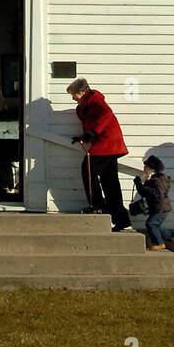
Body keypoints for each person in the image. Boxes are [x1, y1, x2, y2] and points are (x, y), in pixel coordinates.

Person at [67, 78, 134, 232]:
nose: (73, 98)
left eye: (74, 95)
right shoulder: (89, 102)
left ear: (82, 92)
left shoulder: (95, 101)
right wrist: (84, 136)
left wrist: (91, 133)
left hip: (106, 144)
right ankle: (122, 219)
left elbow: (106, 115)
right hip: (109, 145)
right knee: (110, 182)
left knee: (88, 170)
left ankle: (98, 206)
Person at [133, 155, 174, 252]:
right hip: (157, 207)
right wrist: (139, 183)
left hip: (161, 208)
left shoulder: (159, 179)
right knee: (155, 226)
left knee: (151, 224)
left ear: (152, 169)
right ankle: (172, 237)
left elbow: (157, 193)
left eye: (146, 167)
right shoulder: (153, 179)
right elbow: (144, 192)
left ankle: (159, 243)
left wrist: (143, 186)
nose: (144, 168)